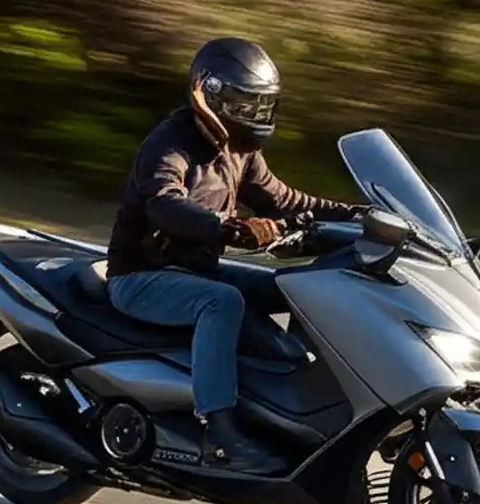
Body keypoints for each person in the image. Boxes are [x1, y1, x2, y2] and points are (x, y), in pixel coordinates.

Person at [103, 36, 371, 475]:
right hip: (140, 277)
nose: (253, 115)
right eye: (243, 105)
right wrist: (228, 228)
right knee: (221, 302)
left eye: (260, 106)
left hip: (194, 269)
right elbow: (163, 202)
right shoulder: (170, 144)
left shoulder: (240, 152)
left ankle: (295, 401)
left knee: (298, 286)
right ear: (208, 94)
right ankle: (219, 433)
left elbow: (286, 201)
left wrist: (360, 216)